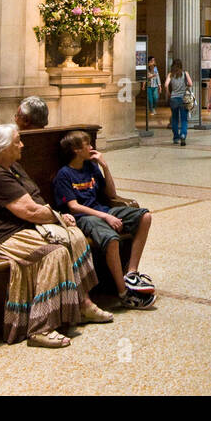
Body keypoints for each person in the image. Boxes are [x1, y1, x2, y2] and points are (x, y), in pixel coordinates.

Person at [0, 124, 113, 347]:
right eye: (17, 141)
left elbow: (34, 197)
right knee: (54, 253)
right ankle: (40, 327)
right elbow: (29, 211)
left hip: (20, 227)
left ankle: (82, 302)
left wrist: (56, 218)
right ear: (3, 147)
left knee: (74, 236)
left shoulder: (11, 166)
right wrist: (57, 217)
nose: (22, 145)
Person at [54, 130, 156, 308]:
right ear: (76, 150)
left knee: (144, 217)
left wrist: (105, 167)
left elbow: (111, 194)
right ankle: (123, 292)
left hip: (103, 210)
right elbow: (74, 206)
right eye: (87, 144)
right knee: (111, 239)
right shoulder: (64, 174)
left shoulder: (91, 167)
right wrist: (106, 216)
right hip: (84, 218)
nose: (92, 147)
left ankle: (131, 273)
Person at [166, 58, 193, 145]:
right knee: (184, 119)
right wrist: (186, 86)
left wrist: (169, 93)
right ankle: (183, 135)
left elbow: (166, 84)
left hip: (174, 98)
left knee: (174, 119)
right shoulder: (185, 73)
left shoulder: (170, 74)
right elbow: (190, 83)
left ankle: (176, 138)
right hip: (183, 98)